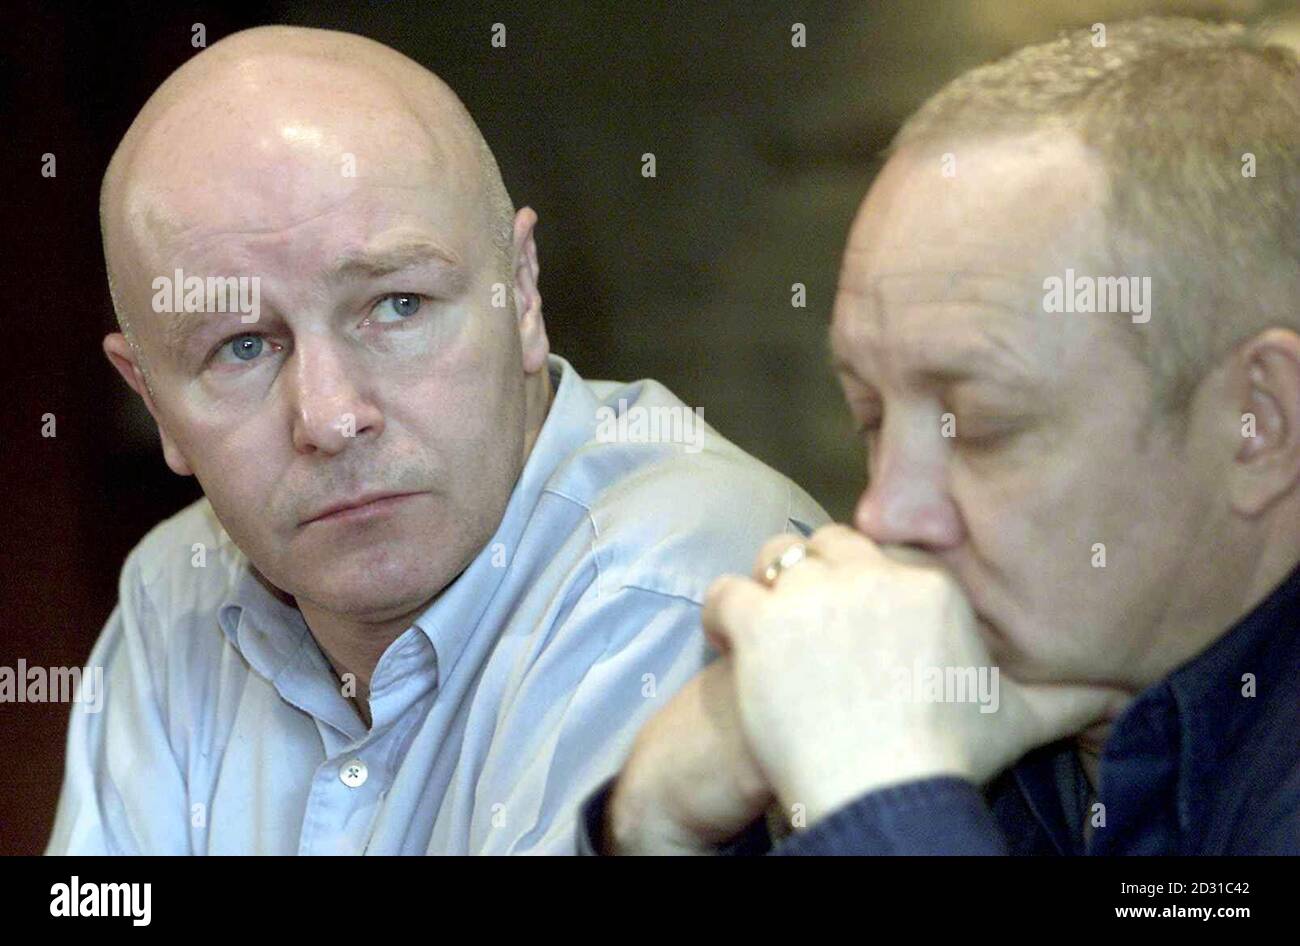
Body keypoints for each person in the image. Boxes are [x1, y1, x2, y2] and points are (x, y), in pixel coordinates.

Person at [46, 25, 825, 855]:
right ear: (152, 402)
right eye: (241, 347)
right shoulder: (178, 595)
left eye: (397, 306)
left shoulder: (675, 579)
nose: (331, 418)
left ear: (521, 294)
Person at [585, 17, 1300, 856]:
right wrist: (651, 825)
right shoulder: (996, 707)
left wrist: (878, 784)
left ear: (1258, 424)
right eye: (871, 418)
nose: (884, 515)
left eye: (985, 426)